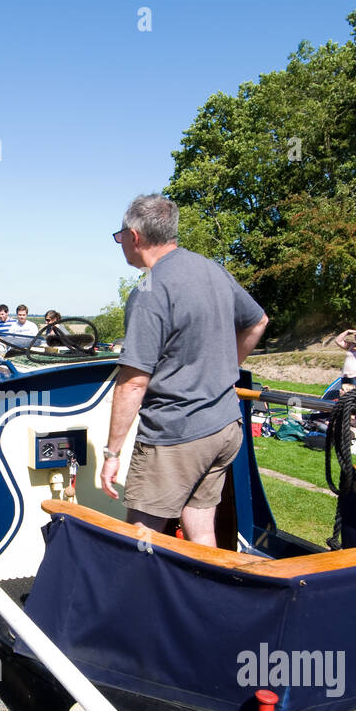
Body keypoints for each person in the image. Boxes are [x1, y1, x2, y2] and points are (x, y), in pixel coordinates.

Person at [101, 194, 268, 548]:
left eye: (119, 237)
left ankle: (142, 604)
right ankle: (204, 600)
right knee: (201, 527)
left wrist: (112, 454)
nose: (121, 245)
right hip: (224, 426)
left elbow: (133, 383)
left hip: (176, 434)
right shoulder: (212, 270)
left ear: (134, 236)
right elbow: (258, 322)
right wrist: (225, 370)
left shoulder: (149, 291)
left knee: (141, 538)